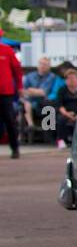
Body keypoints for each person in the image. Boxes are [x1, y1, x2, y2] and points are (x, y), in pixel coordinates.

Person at [21, 56, 58, 139]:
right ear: (38, 65)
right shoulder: (30, 76)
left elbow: (44, 92)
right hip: (30, 101)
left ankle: (48, 137)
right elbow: (23, 91)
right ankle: (30, 125)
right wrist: (35, 92)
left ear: (49, 67)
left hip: (45, 102)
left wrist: (31, 90)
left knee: (49, 108)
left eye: (45, 64)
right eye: (41, 64)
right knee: (25, 103)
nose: (42, 66)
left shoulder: (52, 76)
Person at [0, 29, 22, 158]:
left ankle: (15, 148)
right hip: (6, 91)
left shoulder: (7, 50)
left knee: (10, 120)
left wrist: (19, 87)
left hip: (6, 92)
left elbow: (17, 70)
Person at [54, 69, 77, 149]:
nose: (72, 80)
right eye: (69, 78)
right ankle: (60, 140)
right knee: (61, 119)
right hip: (65, 112)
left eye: (74, 78)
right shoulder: (62, 90)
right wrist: (67, 114)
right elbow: (59, 104)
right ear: (66, 80)